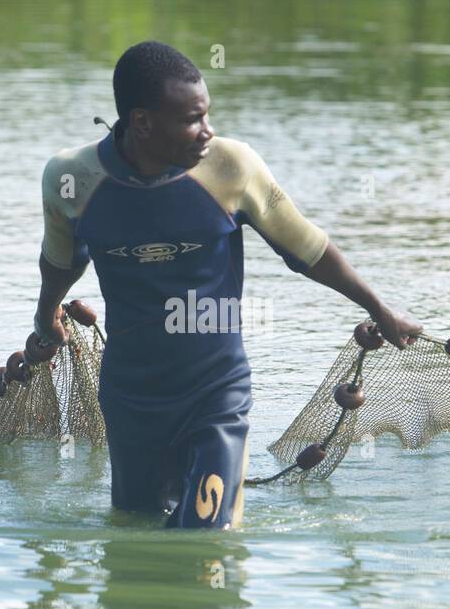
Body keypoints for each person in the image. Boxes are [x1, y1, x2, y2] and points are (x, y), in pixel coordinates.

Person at [34, 41, 421, 529]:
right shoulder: (72, 178)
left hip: (214, 390)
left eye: (207, 114)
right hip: (131, 396)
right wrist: (46, 313)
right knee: (134, 527)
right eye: (192, 119)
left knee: (203, 533)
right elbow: (61, 260)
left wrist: (379, 308)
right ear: (143, 122)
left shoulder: (232, 167)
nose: (207, 130)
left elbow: (309, 250)